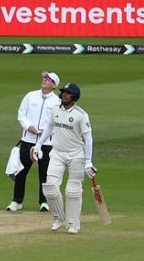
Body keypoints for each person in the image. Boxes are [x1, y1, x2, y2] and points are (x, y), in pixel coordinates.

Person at [33, 83, 96, 234]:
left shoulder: (81, 115)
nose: (64, 95)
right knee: (50, 187)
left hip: (76, 155)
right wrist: (39, 144)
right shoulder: (55, 110)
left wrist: (88, 162)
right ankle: (58, 218)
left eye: (68, 93)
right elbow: (49, 127)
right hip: (57, 153)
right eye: (63, 93)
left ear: (74, 96)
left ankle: (73, 223)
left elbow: (88, 139)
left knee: (72, 191)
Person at [8, 72, 61, 212]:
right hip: (28, 140)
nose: (44, 79)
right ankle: (16, 201)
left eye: (48, 79)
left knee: (45, 173)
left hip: (47, 143)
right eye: (44, 77)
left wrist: (46, 132)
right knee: (21, 171)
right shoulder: (30, 96)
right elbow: (21, 114)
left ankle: (44, 202)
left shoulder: (57, 101)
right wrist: (28, 127)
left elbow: (58, 123)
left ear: (54, 85)